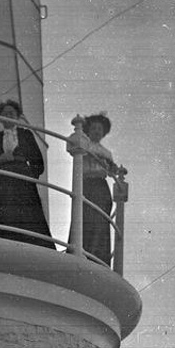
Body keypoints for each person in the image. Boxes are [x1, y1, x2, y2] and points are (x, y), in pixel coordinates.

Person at [0, 100, 54, 248]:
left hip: (22, 182)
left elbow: (38, 163)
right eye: (4, 114)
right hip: (1, 182)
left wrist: (26, 174)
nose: (8, 116)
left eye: (11, 113)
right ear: (0, 118)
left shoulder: (26, 134)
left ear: (17, 116)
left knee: (27, 215)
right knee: (3, 213)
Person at [77, 112, 117, 264]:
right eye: (94, 128)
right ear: (88, 130)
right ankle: (85, 252)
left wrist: (114, 169)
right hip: (88, 184)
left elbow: (111, 171)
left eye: (100, 129)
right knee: (87, 218)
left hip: (101, 187)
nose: (97, 131)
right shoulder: (84, 144)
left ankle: (99, 257)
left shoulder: (107, 152)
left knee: (100, 221)